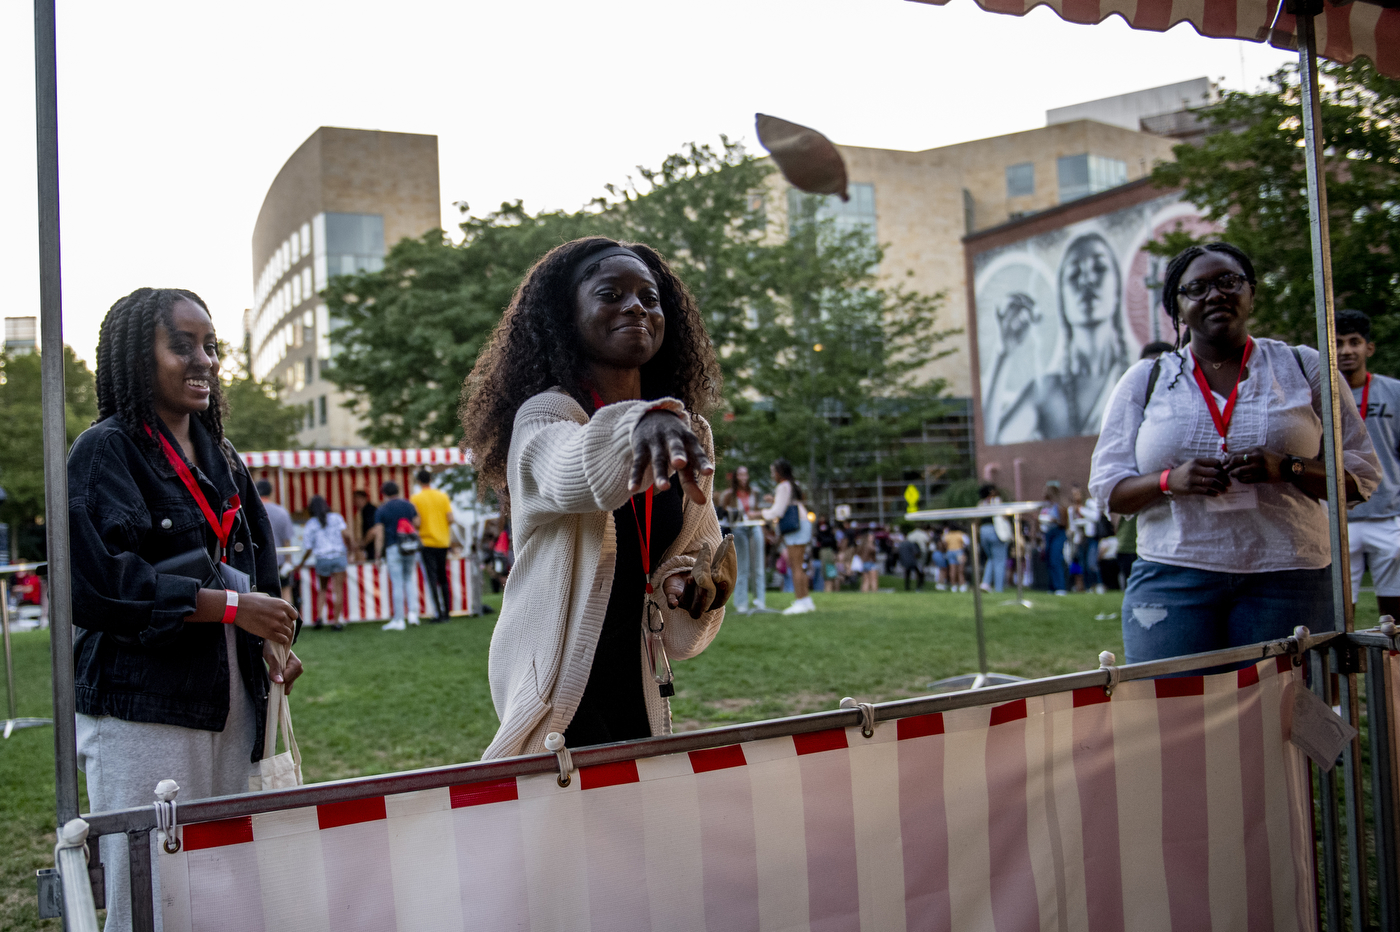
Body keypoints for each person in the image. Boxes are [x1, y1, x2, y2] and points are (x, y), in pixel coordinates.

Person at [69, 288, 301, 931]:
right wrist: (231, 608)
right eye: (182, 345)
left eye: (211, 345)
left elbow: (258, 571)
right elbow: (99, 584)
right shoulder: (104, 450)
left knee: (229, 881)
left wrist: (273, 642)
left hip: (232, 696)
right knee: (153, 889)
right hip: (145, 706)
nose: (204, 360)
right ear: (136, 357)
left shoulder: (224, 456)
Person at [459, 237, 732, 759]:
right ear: (568, 314)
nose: (636, 307)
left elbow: (699, 545)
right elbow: (571, 470)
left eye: (650, 299)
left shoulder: (686, 429)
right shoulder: (545, 417)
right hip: (555, 693)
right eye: (611, 293)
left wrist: (688, 579)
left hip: (638, 681)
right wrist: (640, 424)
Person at [1090, 242, 1379, 663]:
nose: (1215, 294)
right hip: (1174, 576)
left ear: (1251, 292)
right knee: (1172, 717)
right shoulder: (1145, 379)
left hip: (1290, 575)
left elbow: (1360, 480)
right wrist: (1171, 481)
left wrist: (1289, 467)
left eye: (1229, 282)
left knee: (1284, 717)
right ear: (1177, 305)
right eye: (1197, 288)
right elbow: (1109, 491)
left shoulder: (1307, 368)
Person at [1337, 309, 1400, 619]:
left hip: (1389, 518)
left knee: (1394, 619)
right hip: (1339, 520)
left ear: (1368, 348)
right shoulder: (1320, 395)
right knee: (1339, 618)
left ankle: (1394, 670)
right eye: (1338, 343)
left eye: (1354, 342)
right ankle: (1344, 670)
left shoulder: (1394, 392)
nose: (1346, 350)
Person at [764, 458, 815, 615]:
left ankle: (800, 601)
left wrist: (760, 513)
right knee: (799, 564)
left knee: (795, 566)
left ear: (779, 472)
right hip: (803, 523)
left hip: (796, 527)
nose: (772, 475)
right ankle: (805, 599)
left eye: (773, 471)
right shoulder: (794, 485)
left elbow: (777, 511)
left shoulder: (783, 486)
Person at [297, 495, 352, 630]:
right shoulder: (336, 518)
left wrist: (301, 562)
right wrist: (351, 551)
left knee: (322, 589)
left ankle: (319, 618)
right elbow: (347, 535)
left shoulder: (311, 524)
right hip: (338, 556)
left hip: (322, 559)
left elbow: (309, 548)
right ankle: (336, 621)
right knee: (338, 590)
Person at [716, 465, 766, 612]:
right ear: (736, 477)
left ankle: (760, 602)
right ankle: (741, 603)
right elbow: (723, 512)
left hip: (754, 526)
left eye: (745, 474)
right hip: (739, 528)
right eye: (740, 475)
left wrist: (754, 514)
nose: (743, 477)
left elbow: (759, 511)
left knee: (758, 566)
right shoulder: (729, 495)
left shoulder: (754, 492)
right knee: (742, 566)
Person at [373, 481, 420, 631]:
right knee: (409, 579)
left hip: (393, 547)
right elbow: (417, 523)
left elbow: (379, 534)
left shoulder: (382, 509)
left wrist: (378, 555)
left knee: (397, 583)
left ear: (384, 494)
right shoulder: (408, 505)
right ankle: (413, 614)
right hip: (409, 547)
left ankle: (399, 619)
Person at [411, 468, 455, 622]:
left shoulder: (416, 499)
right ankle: (447, 613)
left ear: (418, 481)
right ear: (431, 479)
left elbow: (417, 522)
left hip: (427, 541)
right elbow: (450, 519)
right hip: (443, 541)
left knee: (432, 577)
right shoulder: (442, 496)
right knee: (443, 577)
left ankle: (438, 612)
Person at [257, 479, 295, 602]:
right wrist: (288, 561)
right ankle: (289, 619)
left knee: (262, 594)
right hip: (280, 559)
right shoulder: (282, 512)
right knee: (285, 591)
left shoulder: (253, 511)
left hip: (260, 559)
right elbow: (287, 540)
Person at [977, 484, 1011, 593]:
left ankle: (985, 583)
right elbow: (1004, 516)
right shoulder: (997, 501)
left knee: (991, 558)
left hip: (983, 531)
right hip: (996, 531)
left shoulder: (981, 504)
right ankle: (998, 588)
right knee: (1000, 560)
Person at [1039, 481, 1069, 595]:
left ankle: (1060, 587)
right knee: (1048, 560)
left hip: (1058, 533)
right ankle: (1052, 587)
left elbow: (1064, 523)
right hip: (1048, 533)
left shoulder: (1060, 507)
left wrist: (1053, 520)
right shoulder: (1045, 506)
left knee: (1055, 558)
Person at [352, 488, 378, 562]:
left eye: (355, 499)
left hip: (373, 548)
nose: (354, 502)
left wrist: (362, 544)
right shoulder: (364, 511)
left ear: (362, 498)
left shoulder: (369, 511)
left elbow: (372, 531)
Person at [942, 524, 968, 591]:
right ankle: (962, 584)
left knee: (952, 569)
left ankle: (953, 585)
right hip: (959, 552)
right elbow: (967, 542)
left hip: (950, 552)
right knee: (960, 569)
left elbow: (944, 543)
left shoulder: (947, 535)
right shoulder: (960, 534)